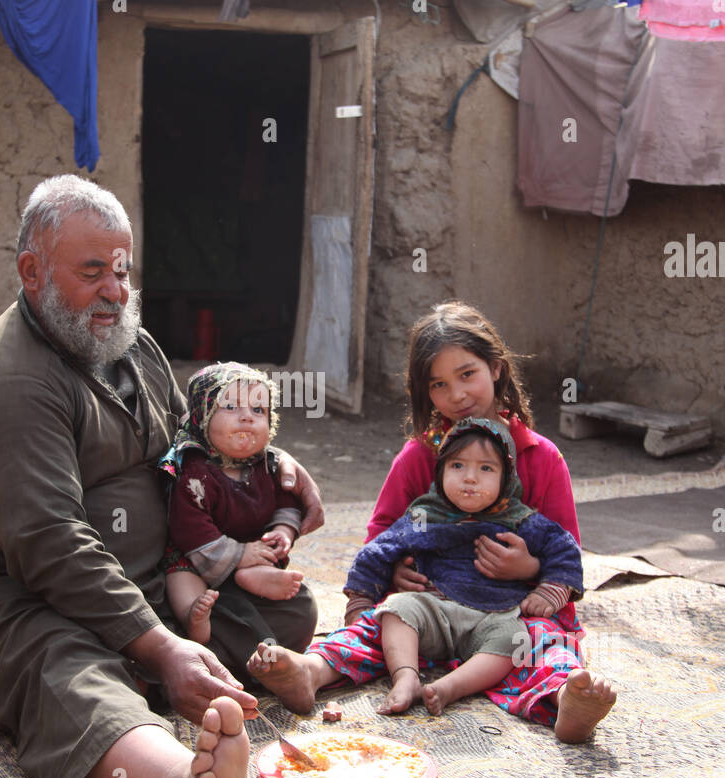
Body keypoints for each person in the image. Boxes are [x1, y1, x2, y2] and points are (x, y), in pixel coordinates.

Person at [0, 175, 323, 778]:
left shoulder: (129, 343)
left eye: (122, 271)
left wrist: (271, 473)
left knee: (285, 609)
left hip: (143, 579)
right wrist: (157, 645)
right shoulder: (10, 379)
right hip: (3, 598)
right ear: (32, 271)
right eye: (93, 272)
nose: (115, 292)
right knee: (65, 668)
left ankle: (171, 664)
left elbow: (191, 452)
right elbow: (48, 544)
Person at [250, 301, 617, 744]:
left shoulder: (542, 458)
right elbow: (381, 537)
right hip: (430, 611)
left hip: (511, 614)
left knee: (542, 643)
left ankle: (564, 702)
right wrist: (395, 573)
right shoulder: (419, 455)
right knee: (381, 622)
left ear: (496, 368)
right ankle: (309, 672)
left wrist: (530, 572)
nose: (457, 395)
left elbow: (566, 551)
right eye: (439, 385)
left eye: (467, 375)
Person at [347, 417, 583, 717]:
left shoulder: (521, 519)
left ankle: (449, 688)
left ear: (506, 478)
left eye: (486, 468)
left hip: (497, 614)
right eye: (457, 466)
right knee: (396, 610)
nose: (470, 478)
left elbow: (565, 550)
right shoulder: (426, 515)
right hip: (434, 609)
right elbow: (380, 549)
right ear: (441, 470)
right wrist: (361, 599)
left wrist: (550, 591)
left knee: (517, 639)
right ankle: (405, 677)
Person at [159, 362, 313, 647]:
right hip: (196, 557)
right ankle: (195, 621)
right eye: (230, 407)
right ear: (202, 415)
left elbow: (287, 502)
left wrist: (283, 530)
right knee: (181, 583)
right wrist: (238, 554)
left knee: (303, 609)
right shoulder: (194, 471)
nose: (247, 418)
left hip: (253, 555)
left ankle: (252, 580)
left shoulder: (268, 464)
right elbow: (190, 532)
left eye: (258, 410)